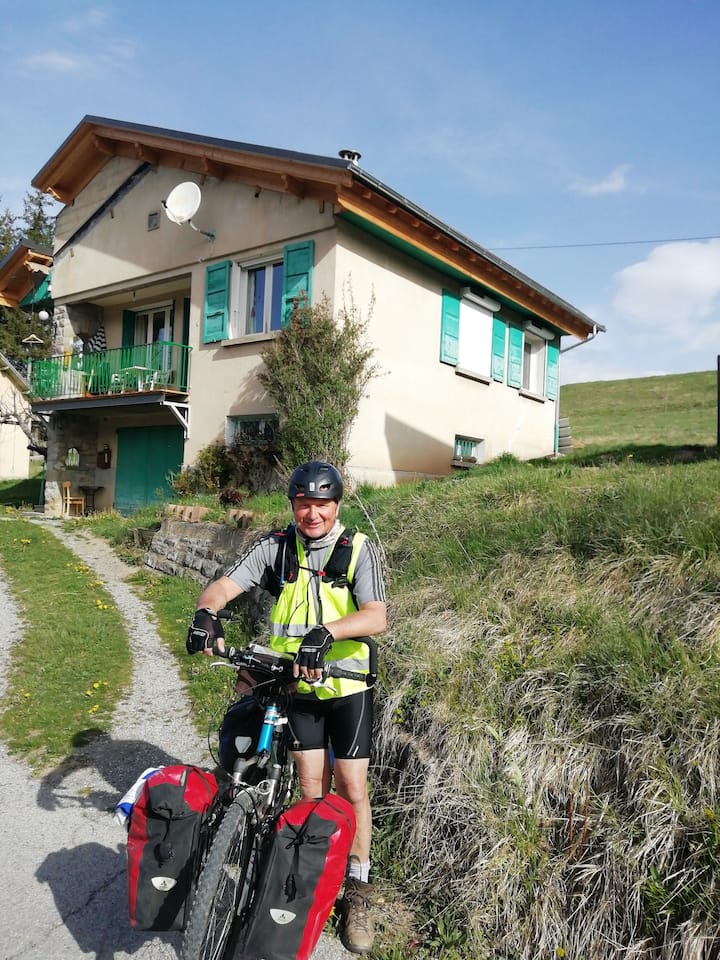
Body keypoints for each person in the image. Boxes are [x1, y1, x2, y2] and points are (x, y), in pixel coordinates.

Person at [186, 460, 387, 955]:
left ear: (336, 505)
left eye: (322, 503)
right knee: (309, 784)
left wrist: (329, 633)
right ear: (293, 505)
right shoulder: (276, 547)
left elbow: (376, 615)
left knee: (351, 785)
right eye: (303, 503)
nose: (312, 513)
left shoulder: (357, 549)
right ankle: (304, 876)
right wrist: (205, 613)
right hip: (296, 685)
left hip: (347, 685)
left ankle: (357, 890)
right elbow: (225, 585)